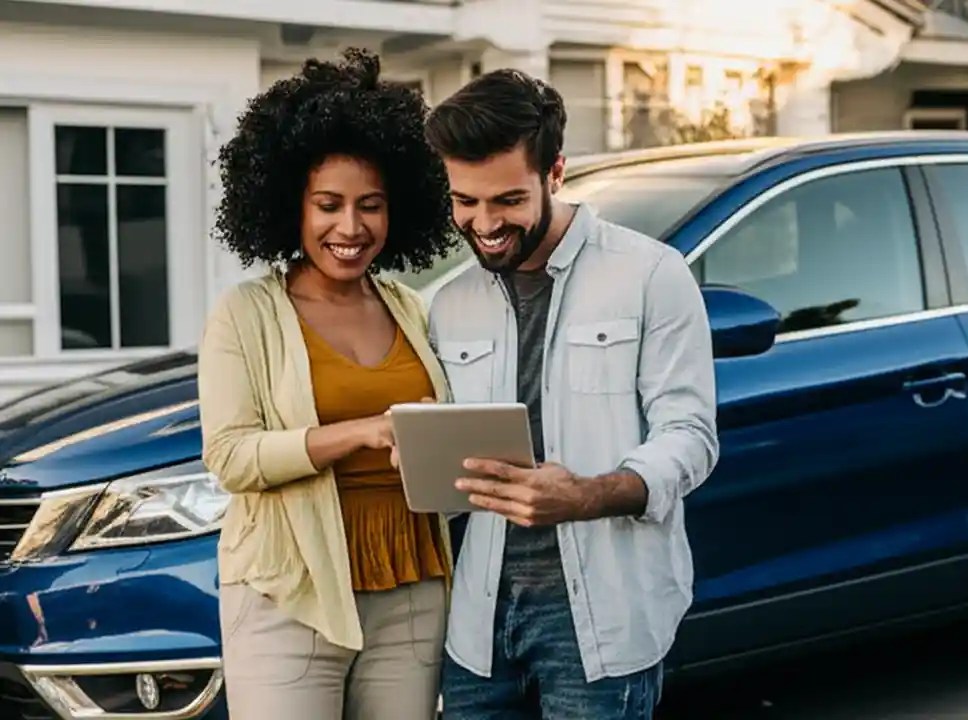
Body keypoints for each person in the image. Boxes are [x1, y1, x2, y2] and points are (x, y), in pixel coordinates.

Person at [423, 68, 720, 719]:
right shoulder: (448, 305)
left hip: (603, 623)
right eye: (464, 202)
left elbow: (691, 440)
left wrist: (584, 496)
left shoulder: (651, 276)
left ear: (555, 173)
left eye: (506, 200)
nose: (484, 223)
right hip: (477, 626)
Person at [197, 48, 457, 720]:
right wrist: (359, 433)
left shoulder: (411, 308)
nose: (351, 227)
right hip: (291, 588)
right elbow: (231, 457)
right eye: (329, 205)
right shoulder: (245, 315)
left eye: (370, 205)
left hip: (411, 583)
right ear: (291, 206)